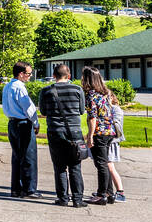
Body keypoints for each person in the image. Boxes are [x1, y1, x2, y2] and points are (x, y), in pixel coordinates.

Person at [38, 63, 87, 207]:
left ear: (53, 76)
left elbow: (43, 112)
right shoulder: (78, 90)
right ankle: (78, 199)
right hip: (74, 132)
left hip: (55, 131)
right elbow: (82, 110)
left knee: (59, 167)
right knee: (75, 166)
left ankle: (63, 198)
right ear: (69, 75)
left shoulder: (46, 91)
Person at [1, 60, 40, 198]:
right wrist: (36, 123)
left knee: (17, 156)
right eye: (28, 74)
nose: (30, 76)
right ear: (21, 74)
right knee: (29, 157)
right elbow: (28, 108)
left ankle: (16, 188)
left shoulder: (7, 86)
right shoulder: (20, 87)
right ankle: (29, 189)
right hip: (23, 123)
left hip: (12, 123)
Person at [82, 66, 115, 204]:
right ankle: (109, 192)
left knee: (100, 163)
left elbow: (92, 117)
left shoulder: (91, 95)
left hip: (99, 132)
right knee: (105, 162)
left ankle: (102, 195)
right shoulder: (106, 93)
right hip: (109, 130)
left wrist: (90, 136)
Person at [106, 92, 126, 201]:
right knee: (106, 167)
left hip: (111, 142)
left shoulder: (116, 109)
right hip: (107, 142)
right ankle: (107, 191)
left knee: (110, 167)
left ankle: (120, 192)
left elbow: (116, 125)